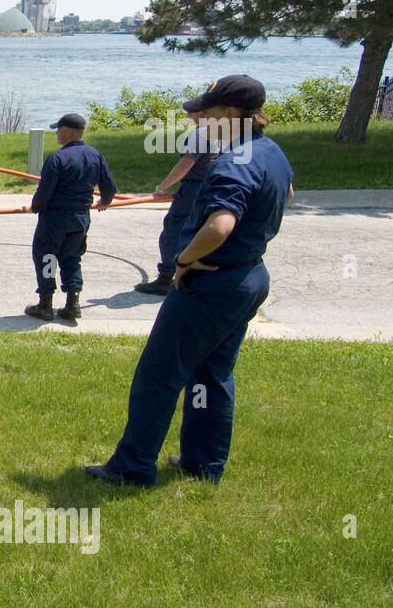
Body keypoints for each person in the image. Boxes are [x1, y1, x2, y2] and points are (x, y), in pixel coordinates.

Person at [87, 75, 294, 486]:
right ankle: (204, 464)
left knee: (159, 376)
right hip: (249, 277)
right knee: (212, 373)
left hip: (210, 285)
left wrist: (183, 260)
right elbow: (285, 193)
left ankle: (132, 467)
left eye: (209, 113)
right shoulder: (270, 152)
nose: (201, 119)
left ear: (232, 114)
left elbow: (220, 225)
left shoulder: (231, 163)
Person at [24, 113, 117, 322]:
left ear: (68, 132)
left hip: (55, 219)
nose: (56, 133)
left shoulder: (57, 158)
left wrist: (34, 207)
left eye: (58, 130)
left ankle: (45, 303)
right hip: (81, 218)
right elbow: (109, 186)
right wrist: (105, 201)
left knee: (47, 257)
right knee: (72, 257)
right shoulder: (95, 155)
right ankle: (73, 303)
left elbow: (44, 192)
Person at [134, 109, 222, 295]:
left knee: (173, 230)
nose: (189, 116)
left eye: (191, 112)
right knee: (197, 229)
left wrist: (162, 187)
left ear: (202, 113)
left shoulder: (200, 133)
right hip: (208, 186)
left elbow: (186, 164)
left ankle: (166, 277)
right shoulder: (219, 131)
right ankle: (194, 273)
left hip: (192, 188)